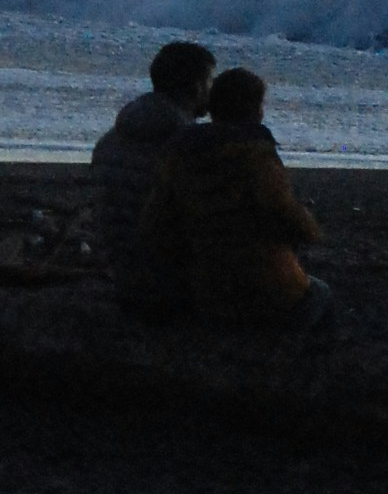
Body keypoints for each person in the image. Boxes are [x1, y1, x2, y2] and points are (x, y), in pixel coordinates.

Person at [136, 65, 332, 341]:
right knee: (321, 295)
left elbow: (153, 225)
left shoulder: (179, 157)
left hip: (206, 291)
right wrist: (308, 224)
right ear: (255, 110)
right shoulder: (255, 157)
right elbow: (293, 221)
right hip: (266, 289)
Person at [89, 41, 215, 312]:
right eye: (209, 82)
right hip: (172, 285)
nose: (212, 91)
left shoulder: (109, 141)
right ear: (195, 86)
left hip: (122, 276)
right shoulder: (189, 147)